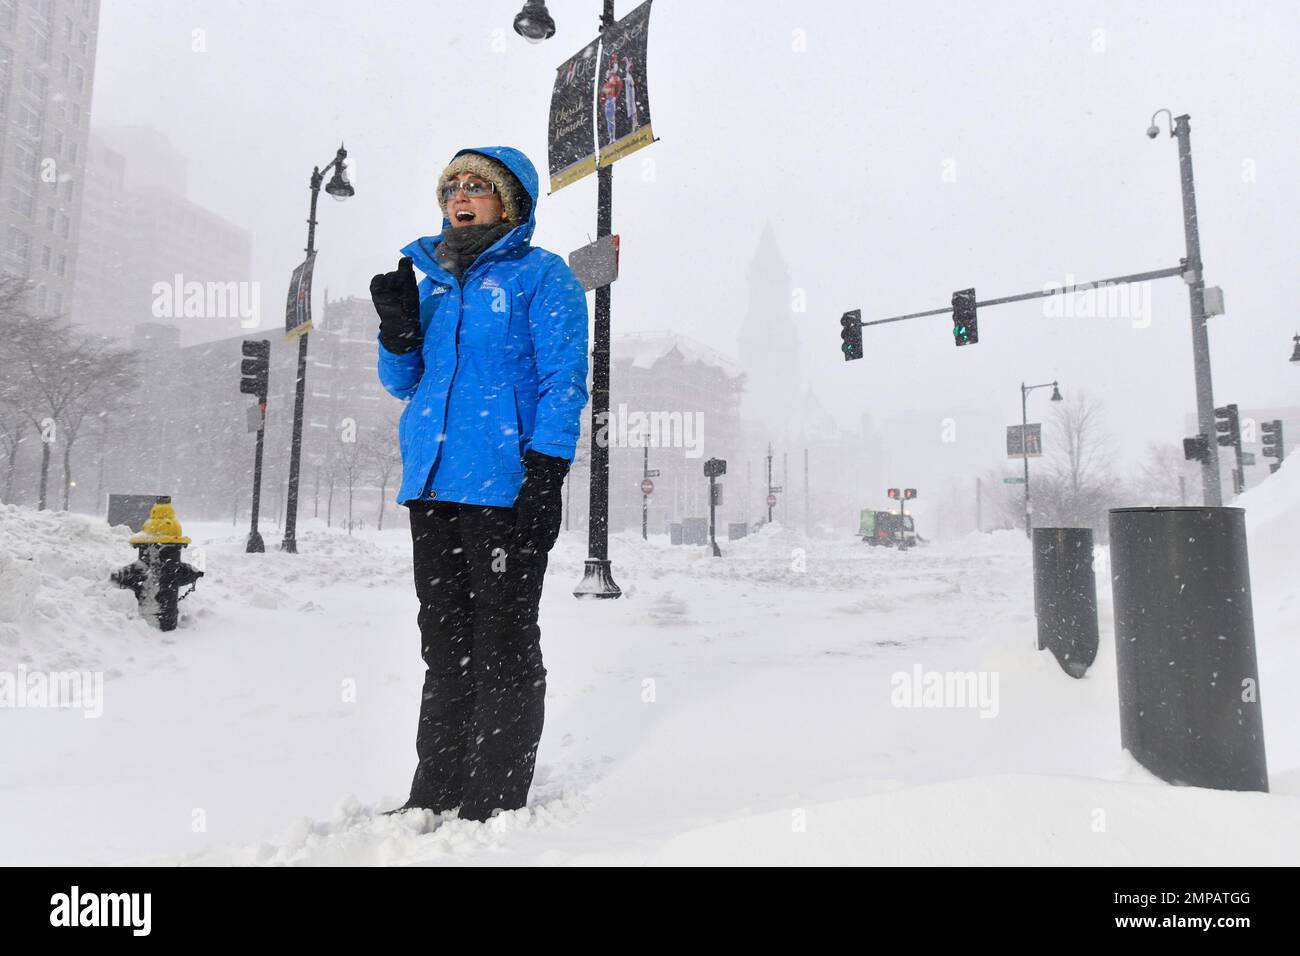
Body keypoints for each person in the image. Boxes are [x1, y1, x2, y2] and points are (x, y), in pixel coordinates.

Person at [369, 146, 589, 821]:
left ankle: (492, 794)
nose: (459, 197)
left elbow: (562, 382)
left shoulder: (542, 276)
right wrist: (397, 331)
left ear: (509, 201)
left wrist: (546, 472)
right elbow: (403, 385)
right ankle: (434, 788)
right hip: (432, 487)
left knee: (503, 639)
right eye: (451, 187)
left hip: (505, 489)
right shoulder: (432, 281)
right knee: (444, 642)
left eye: (476, 187)